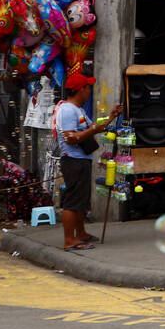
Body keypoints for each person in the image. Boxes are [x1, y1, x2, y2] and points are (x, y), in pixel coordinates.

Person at [55, 73, 121, 249]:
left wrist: (112, 117)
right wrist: (92, 130)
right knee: (72, 201)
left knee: (81, 200)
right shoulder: (68, 110)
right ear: (80, 90)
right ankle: (69, 240)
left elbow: (95, 127)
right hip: (73, 161)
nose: (89, 91)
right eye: (87, 87)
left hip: (81, 160)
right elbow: (70, 138)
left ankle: (81, 233)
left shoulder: (79, 110)